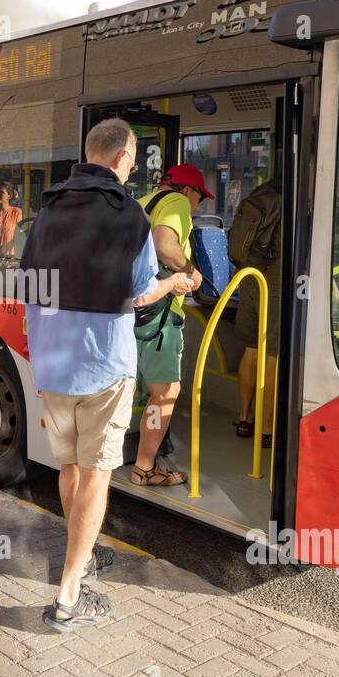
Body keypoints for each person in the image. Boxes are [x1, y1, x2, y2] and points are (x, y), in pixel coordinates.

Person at [19, 118, 192, 631]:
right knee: (97, 474)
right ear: (120, 158)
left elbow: (31, 286)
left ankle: (84, 556)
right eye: (135, 157)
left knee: (70, 468)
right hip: (103, 370)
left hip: (52, 366)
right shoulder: (130, 215)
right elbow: (138, 294)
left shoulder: (46, 211)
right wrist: (174, 283)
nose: (136, 166)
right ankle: (70, 595)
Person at [132, 164, 207, 487]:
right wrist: (191, 273)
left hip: (130, 310)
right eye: (200, 197)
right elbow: (165, 245)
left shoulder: (142, 202)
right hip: (159, 316)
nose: (198, 205)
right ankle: (144, 468)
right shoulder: (176, 202)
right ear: (187, 190)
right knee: (165, 392)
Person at [234, 178, 282, 448]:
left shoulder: (258, 195)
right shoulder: (292, 203)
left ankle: (244, 417)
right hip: (274, 283)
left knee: (251, 348)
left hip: (249, 279)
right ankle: (266, 428)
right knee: (272, 353)